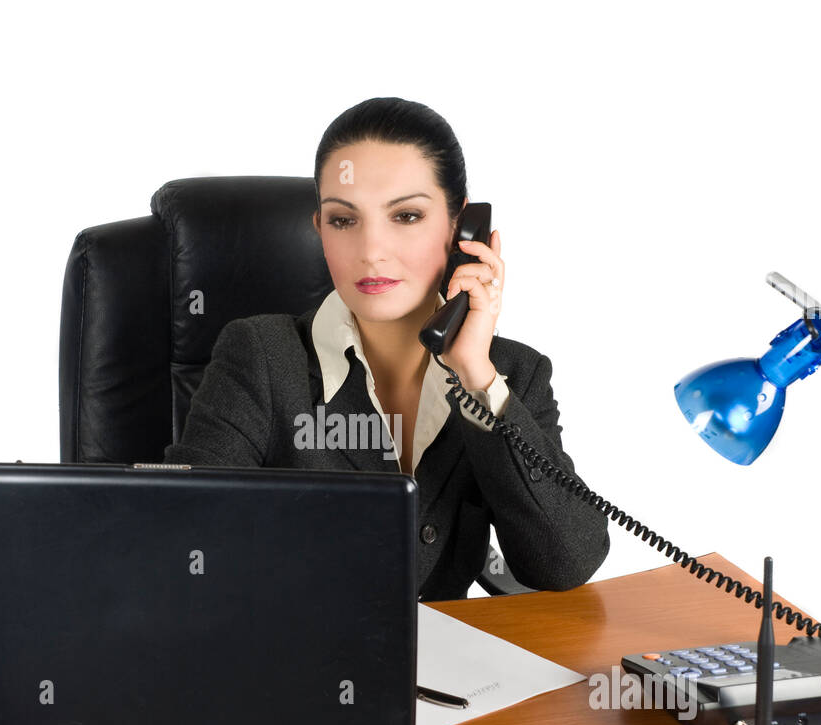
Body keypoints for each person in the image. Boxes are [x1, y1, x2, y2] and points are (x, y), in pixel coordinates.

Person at [164, 97, 609, 600]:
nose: (371, 250)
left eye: (406, 216)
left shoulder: (510, 374)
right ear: (320, 229)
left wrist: (475, 377)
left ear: (463, 229)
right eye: (343, 220)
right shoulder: (261, 356)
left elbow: (565, 562)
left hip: (455, 673)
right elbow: (185, 543)